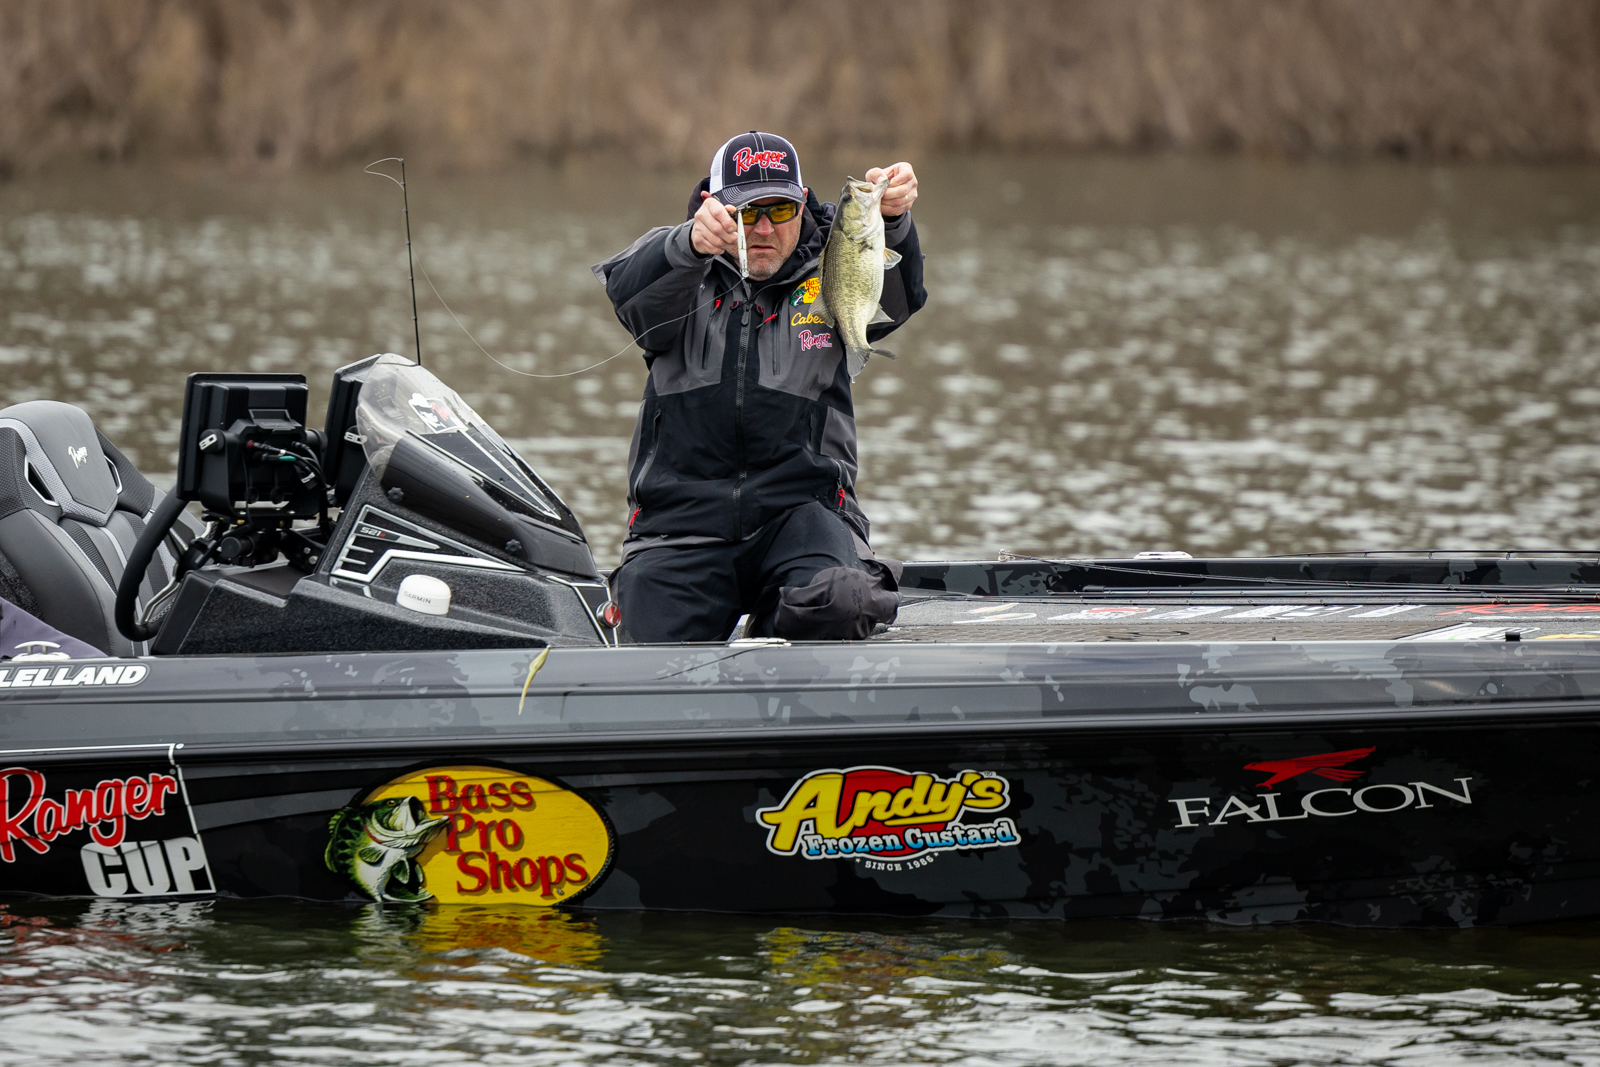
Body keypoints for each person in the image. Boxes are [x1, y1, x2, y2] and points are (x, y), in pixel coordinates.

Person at [592, 131, 927, 643]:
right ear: (714, 210)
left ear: (803, 207)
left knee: (840, 601)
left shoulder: (832, 266)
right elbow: (627, 293)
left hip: (805, 513)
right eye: (748, 213)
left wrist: (894, 223)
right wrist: (687, 245)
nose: (766, 228)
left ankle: (770, 635)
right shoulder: (678, 267)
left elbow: (901, 299)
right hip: (681, 524)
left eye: (780, 210)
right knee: (643, 648)